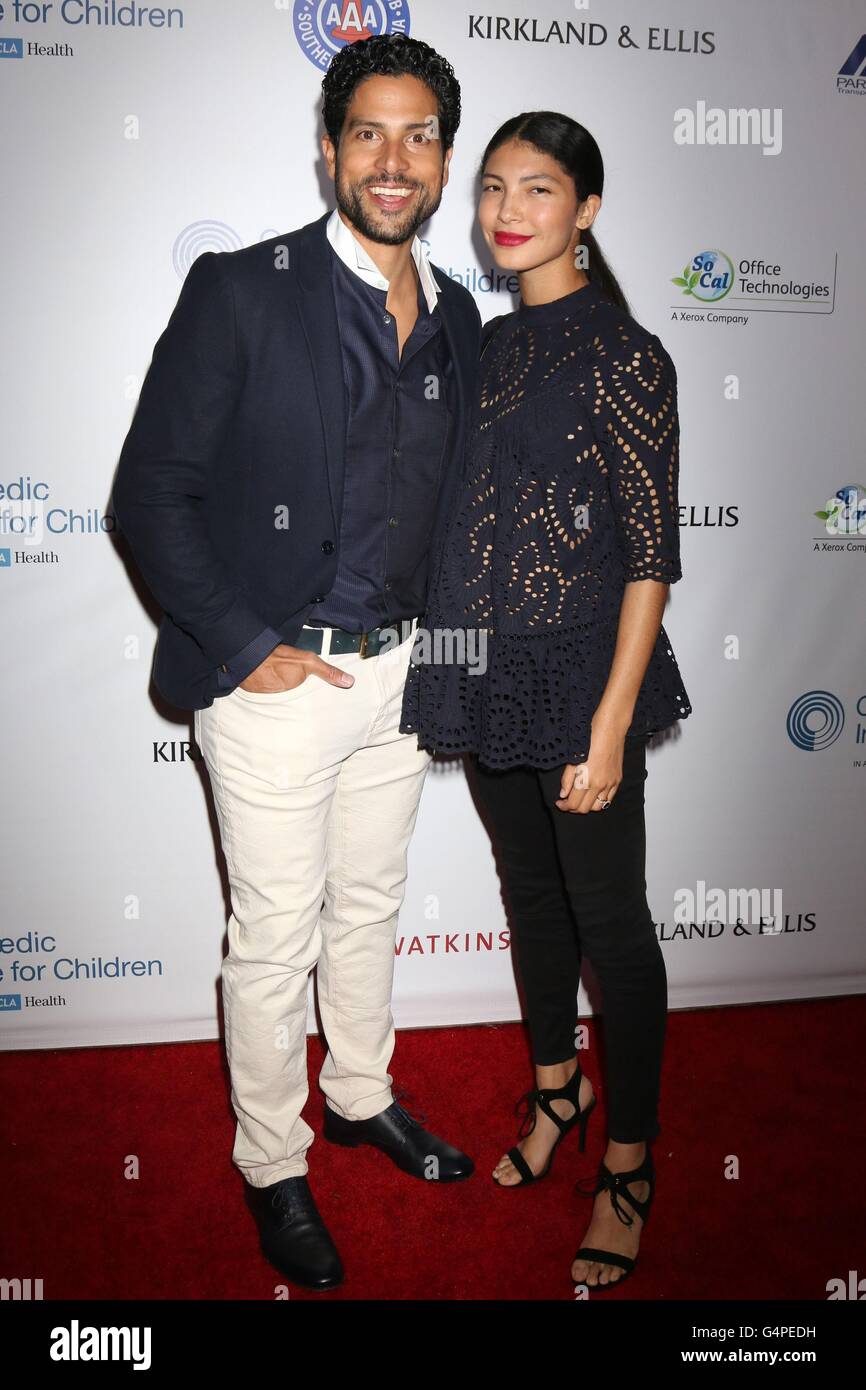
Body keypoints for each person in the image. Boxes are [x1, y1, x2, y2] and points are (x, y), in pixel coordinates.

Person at [112, 33, 481, 1293]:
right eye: (368, 132)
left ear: (442, 157)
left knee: (368, 909)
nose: (394, 159)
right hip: (277, 681)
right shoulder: (241, 288)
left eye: (419, 134)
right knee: (273, 939)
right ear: (328, 149)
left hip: (399, 678)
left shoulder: (459, 317)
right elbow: (149, 494)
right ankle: (272, 1163)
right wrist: (249, 646)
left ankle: (361, 1095)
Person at [400, 111, 693, 1291]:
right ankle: (556, 1092)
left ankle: (629, 1160)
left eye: (537, 189)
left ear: (585, 209)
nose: (507, 210)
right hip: (483, 663)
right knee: (528, 894)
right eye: (491, 189)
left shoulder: (625, 355)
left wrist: (611, 720)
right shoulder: (481, 343)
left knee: (609, 920)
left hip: (579, 672)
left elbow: (649, 554)